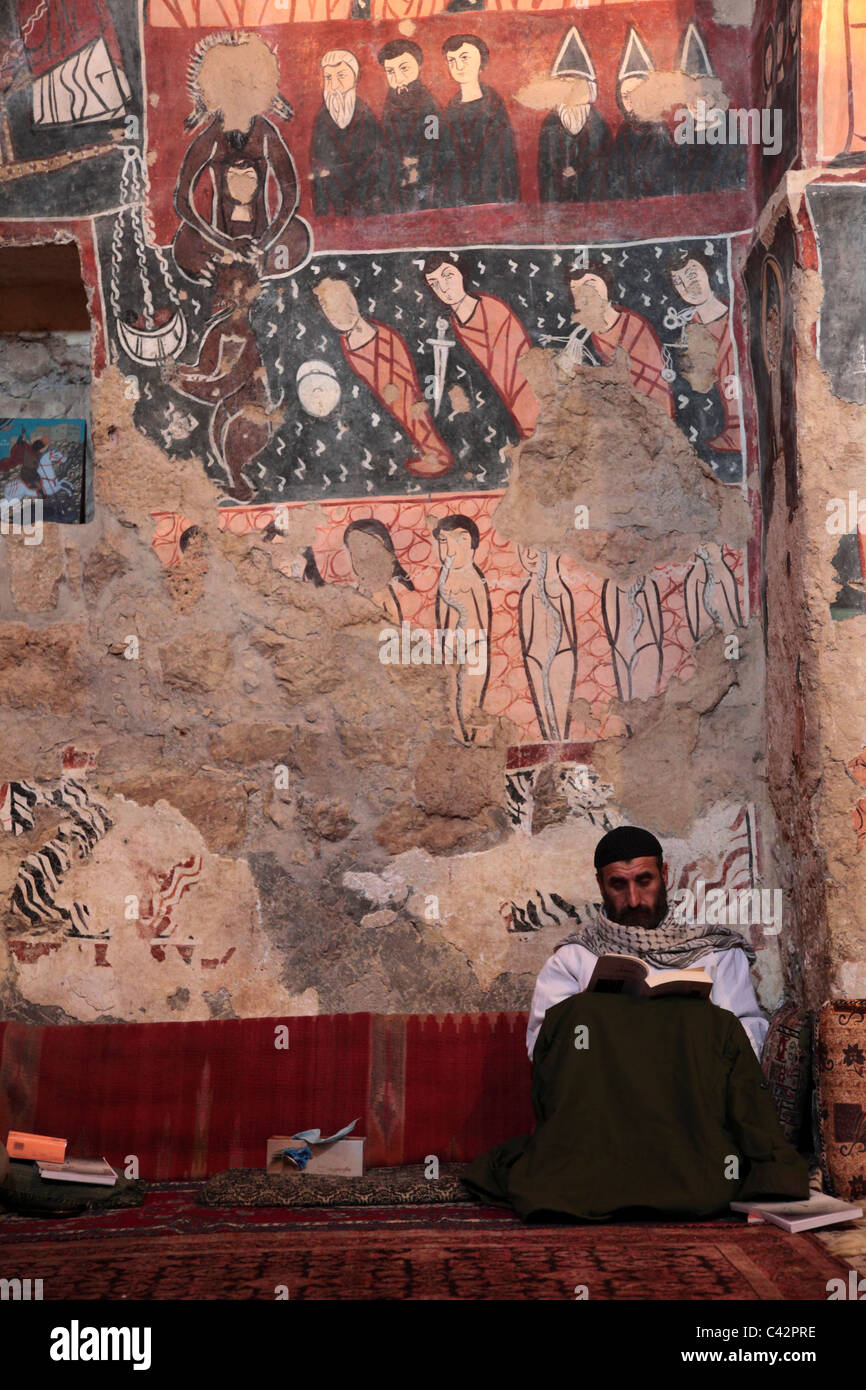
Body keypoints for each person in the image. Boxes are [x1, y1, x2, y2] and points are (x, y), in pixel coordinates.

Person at [462, 825, 809, 1220]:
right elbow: (545, 1049)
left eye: (644, 881)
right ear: (600, 885)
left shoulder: (715, 953)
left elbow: (745, 1040)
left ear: (664, 873)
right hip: (606, 1114)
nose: (634, 899)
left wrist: (674, 1034)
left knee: (706, 1022)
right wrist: (619, 1035)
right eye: (618, 885)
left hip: (689, 1110)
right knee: (580, 1015)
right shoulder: (573, 959)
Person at [313, 276, 453, 478]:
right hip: (376, 386)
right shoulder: (344, 342)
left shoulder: (378, 333)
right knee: (400, 412)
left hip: (387, 358)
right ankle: (431, 454)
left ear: (349, 303)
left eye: (335, 309)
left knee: (409, 406)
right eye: (328, 311)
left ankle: (437, 455)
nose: (332, 316)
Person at [422, 252, 539, 439]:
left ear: (462, 274)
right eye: (435, 284)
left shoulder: (492, 309)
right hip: (487, 417)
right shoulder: (447, 329)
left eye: (447, 276)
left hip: (521, 402)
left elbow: (517, 366)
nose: (443, 288)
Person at [560, 265, 674, 418]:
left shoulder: (633, 326)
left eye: (590, 285)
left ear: (606, 288)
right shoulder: (581, 336)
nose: (586, 294)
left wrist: (580, 370)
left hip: (643, 414)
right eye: (576, 290)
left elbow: (640, 379)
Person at [309, 49, 394, 217]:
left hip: (365, 203)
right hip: (334, 204)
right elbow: (317, 165)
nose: (334, 86)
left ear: (355, 78)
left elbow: (378, 162)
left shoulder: (365, 115)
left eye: (341, 76)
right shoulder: (321, 118)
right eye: (328, 78)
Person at [441, 34, 518, 206]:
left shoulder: (494, 105)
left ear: (481, 61)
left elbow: (504, 160)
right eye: (451, 60)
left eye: (465, 58)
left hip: (492, 198)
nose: (458, 66)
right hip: (457, 200)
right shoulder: (449, 109)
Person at [537, 25, 611, 204]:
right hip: (558, 200)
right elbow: (545, 166)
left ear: (588, 88)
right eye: (565, 84)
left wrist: (578, 169)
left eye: (576, 85)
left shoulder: (598, 122)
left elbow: (605, 161)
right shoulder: (550, 123)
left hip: (592, 199)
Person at [378, 39, 453, 212]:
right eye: (390, 71)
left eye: (404, 68)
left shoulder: (429, 106)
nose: (398, 78)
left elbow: (433, 143)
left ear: (418, 66)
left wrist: (416, 167)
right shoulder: (389, 104)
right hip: (396, 181)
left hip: (424, 182)